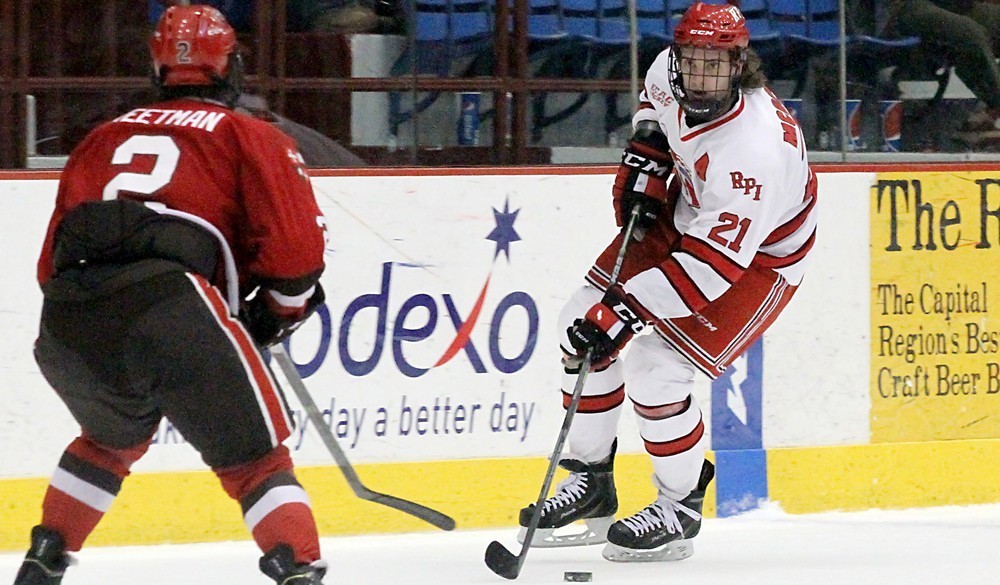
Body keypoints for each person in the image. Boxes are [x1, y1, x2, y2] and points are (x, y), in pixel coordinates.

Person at [14, 5, 330, 585]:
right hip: (172, 308)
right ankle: (300, 569)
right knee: (255, 462)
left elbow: (49, 260)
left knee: (108, 441)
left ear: (158, 66)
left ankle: (45, 557)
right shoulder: (250, 136)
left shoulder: (100, 138)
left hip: (68, 318)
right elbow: (296, 256)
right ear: (231, 64)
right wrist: (276, 312)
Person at [517, 2, 817, 562]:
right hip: (689, 211)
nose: (701, 76)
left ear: (740, 64)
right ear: (678, 56)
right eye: (693, 60)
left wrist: (626, 310)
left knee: (656, 370)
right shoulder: (666, 70)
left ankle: (679, 508)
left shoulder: (753, 154)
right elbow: (653, 110)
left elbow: (710, 269)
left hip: (758, 260)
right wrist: (648, 150)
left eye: (716, 63)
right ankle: (592, 481)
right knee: (576, 329)